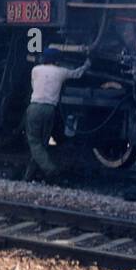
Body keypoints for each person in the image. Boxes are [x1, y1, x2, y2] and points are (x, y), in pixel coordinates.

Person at [23, 48, 89, 180]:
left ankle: (50, 169)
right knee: (42, 143)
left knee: (34, 142)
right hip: (50, 109)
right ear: (57, 61)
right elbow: (77, 74)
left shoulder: (35, 70)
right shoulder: (61, 72)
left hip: (35, 107)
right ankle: (28, 176)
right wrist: (87, 64)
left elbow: (33, 85)